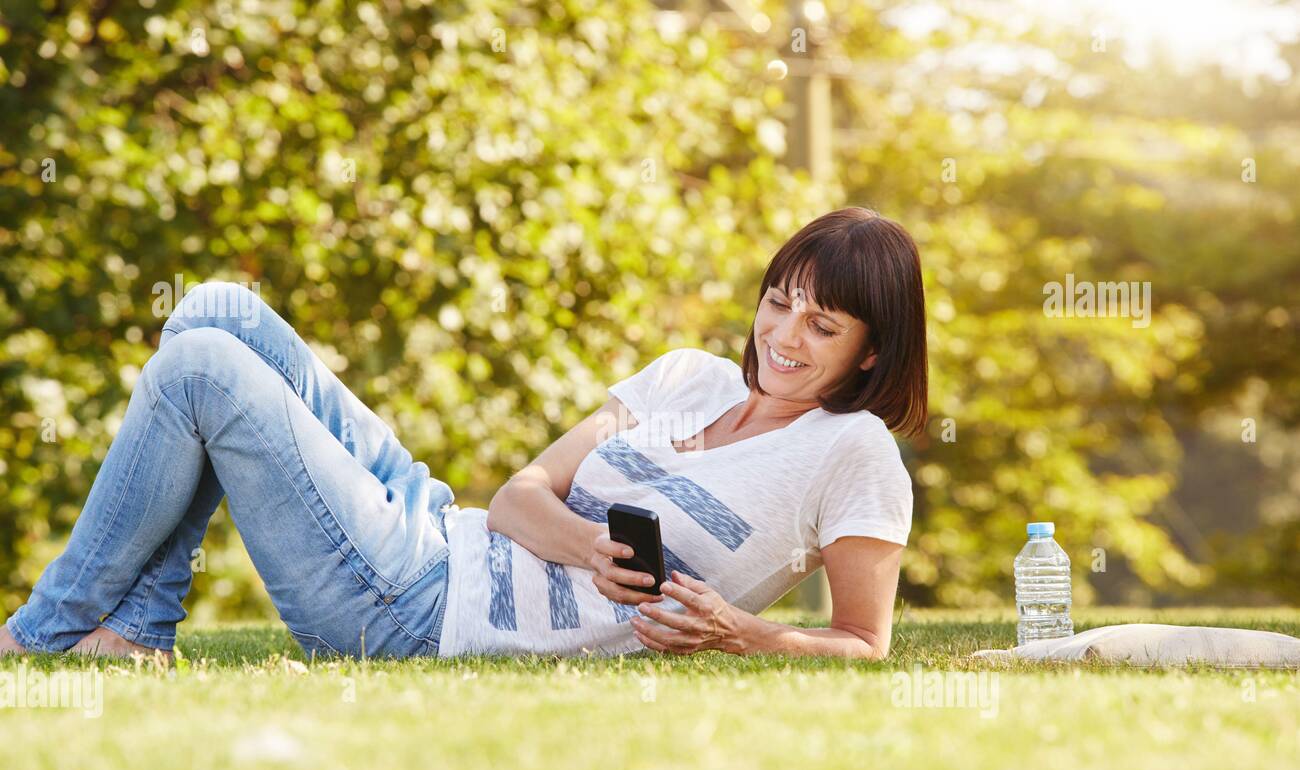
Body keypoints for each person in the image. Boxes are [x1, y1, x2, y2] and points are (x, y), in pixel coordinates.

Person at [0, 207, 928, 662]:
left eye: (822, 325)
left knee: (201, 370)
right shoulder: (689, 377)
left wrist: (739, 632)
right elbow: (526, 490)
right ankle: (136, 630)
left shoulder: (851, 455)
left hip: (419, 611)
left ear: (872, 349)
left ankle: (41, 637)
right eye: (779, 304)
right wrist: (587, 548)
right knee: (214, 312)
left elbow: (861, 644)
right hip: (439, 526)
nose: (784, 337)